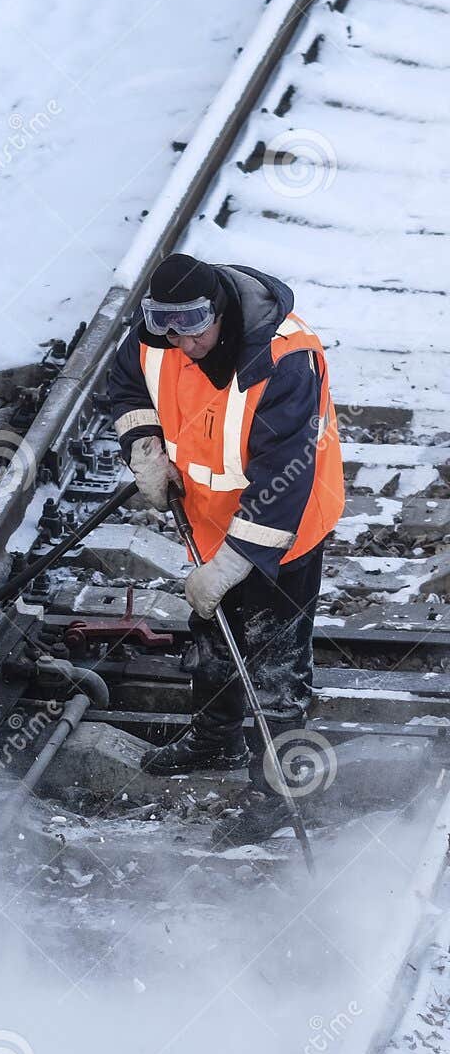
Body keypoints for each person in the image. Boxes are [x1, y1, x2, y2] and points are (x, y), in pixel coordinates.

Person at [105, 253, 344, 846]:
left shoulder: (284, 360)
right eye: (168, 326)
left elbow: (282, 476)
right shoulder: (159, 336)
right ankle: (214, 739)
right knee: (215, 630)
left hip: (283, 527)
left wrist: (234, 564)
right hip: (209, 517)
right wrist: (144, 447)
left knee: (273, 661)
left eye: (193, 326)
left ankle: (278, 793)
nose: (182, 341)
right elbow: (127, 384)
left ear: (221, 311)